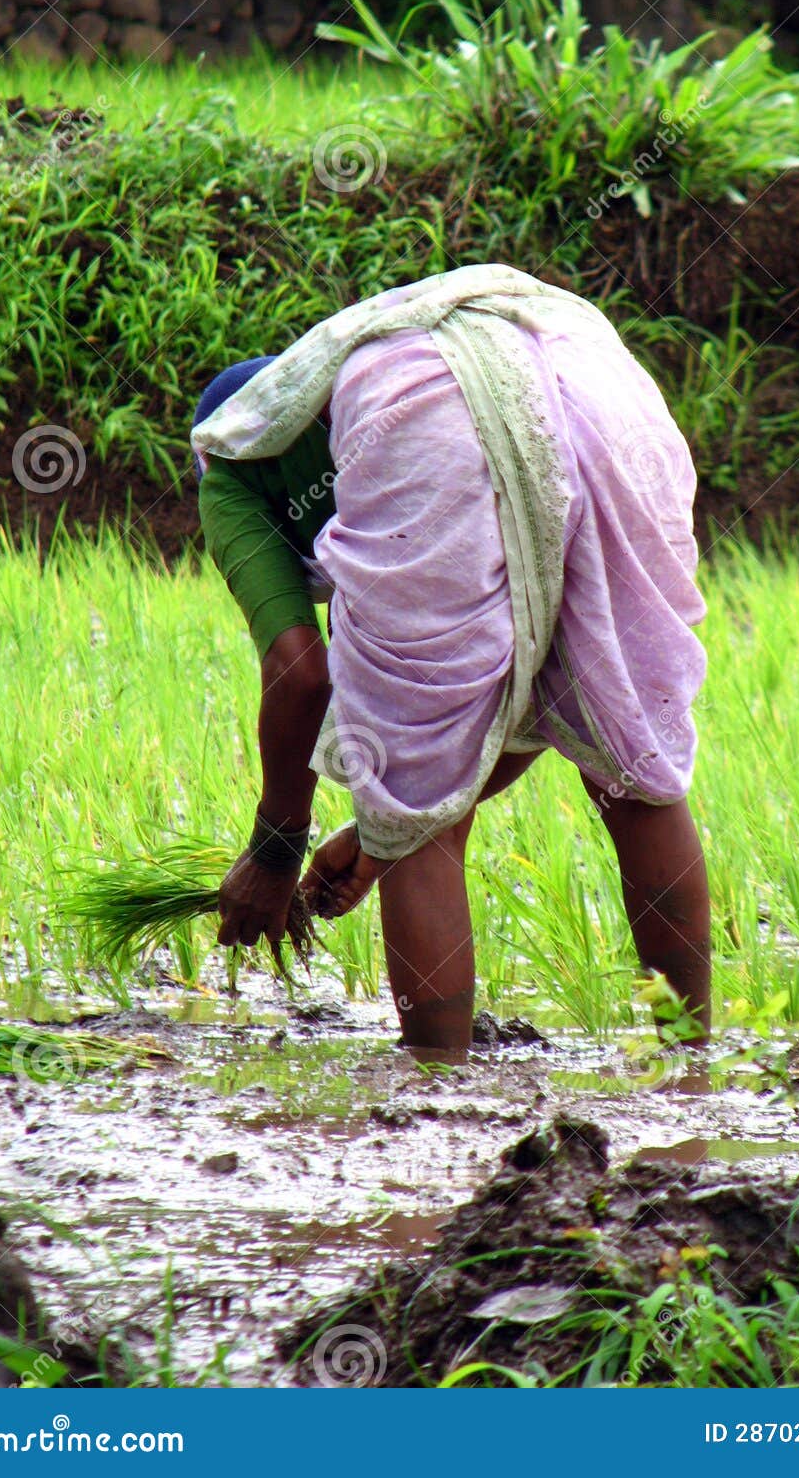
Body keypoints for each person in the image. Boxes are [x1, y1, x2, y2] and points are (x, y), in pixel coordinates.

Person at [191, 264, 709, 1056]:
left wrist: (276, 849)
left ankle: (437, 1097)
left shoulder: (227, 468)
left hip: (438, 420)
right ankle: (689, 1068)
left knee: (423, 839)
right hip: (601, 390)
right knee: (633, 779)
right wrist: (370, 835)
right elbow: (520, 694)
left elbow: (301, 674)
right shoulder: (369, 373)